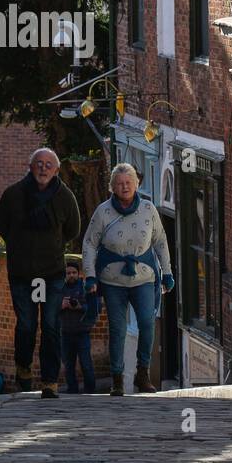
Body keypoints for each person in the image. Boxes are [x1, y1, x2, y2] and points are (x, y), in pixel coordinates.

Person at [0, 147, 82, 398]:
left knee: (52, 326)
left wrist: (51, 247)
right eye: (39, 163)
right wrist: (20, 246)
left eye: (48, 164)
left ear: (56, 170)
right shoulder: (13, 195)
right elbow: (2, 224)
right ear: (30, 166)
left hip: (52, 273)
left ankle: (50, 381)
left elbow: (72, 229)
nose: (43, 168)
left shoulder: (64, 196)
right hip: (22, 273)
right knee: (26, 325)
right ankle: (23, 368)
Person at [82, 163, 173, 397]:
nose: (124, 187)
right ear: (112, 187)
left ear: (137, 184)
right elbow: (90, 244)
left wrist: (167, 272)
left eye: (128, 183)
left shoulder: (148, 209)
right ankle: (118, 379)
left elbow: (160, 241)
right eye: (120, 183)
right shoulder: (103, 212)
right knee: (118, 328)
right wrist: (90, 276)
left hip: (143, 278)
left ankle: (143, 373)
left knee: (146, 322)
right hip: (112, 281)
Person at [59, 261, 100, 394]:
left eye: (74, 273)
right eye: (68, 273)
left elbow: (96, 308)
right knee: (68, 365)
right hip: (65, 332)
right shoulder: (60, 289)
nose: (71, 275)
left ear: (79, 273)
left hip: (82, 332)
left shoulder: (85, 288)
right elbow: (51, 310)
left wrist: (80, 307)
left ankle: (90, 390)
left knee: (86, 364)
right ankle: (72, 390)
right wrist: (61, 305)